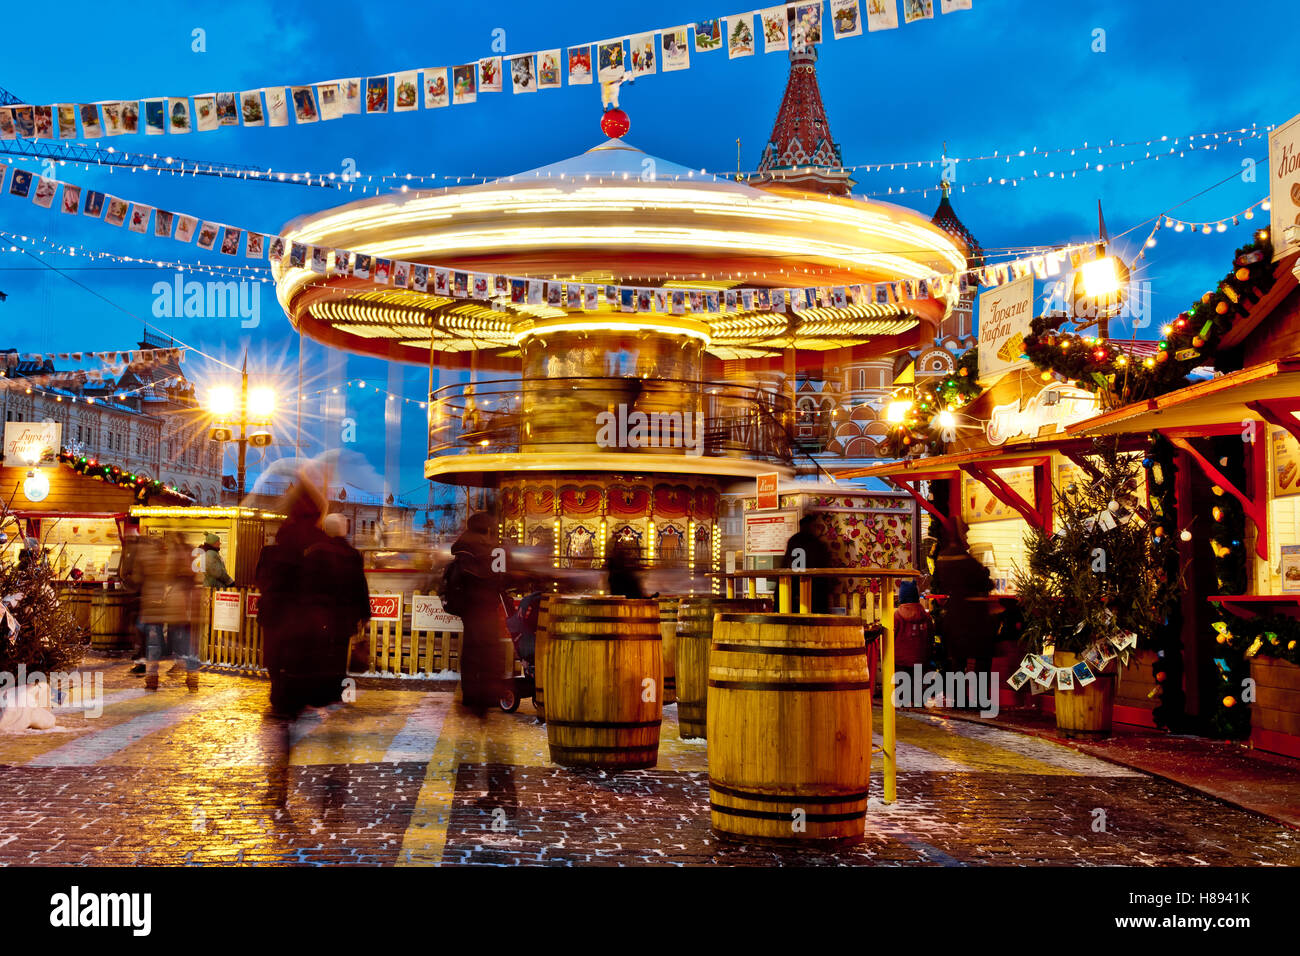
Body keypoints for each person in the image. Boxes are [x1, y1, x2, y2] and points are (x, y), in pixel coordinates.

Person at [442, 512, 509, 710]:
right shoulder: (483, 550)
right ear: (486, 530)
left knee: (472, 650)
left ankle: (471, 694)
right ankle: (485, 695)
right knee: (488, 649)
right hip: (482, 607)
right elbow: (491, 576)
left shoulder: (465, 547)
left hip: (469, 608)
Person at [930, 519, 995, 677]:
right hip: (972, 617)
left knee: (957, 663)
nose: (966, 539)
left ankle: (959, 700)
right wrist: (985, 573)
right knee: (982, 658)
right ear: (958, 536)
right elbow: (985, 582)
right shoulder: (962, 558)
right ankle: (979, 700)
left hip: (953, 615)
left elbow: (940, 583)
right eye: (965, 535)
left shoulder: (942, 557)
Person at [138, 532, 198, 691]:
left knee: (154, 644)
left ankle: (152, 678)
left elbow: (140, 578)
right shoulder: (185, 554)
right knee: (186, 642)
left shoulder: (156, 558)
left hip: (158, 604)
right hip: (173, 605)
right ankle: (192, 676)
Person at [780, 514, 832, 613]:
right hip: (814, 588)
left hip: (794, 585)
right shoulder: (817, 543)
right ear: (811, 526)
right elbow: (821, 566)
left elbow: (787, 563)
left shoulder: (793, 540)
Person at [892, 580, 933, 674]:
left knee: (902, 688)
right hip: (922, 660)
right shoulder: (926, 616)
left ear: (901, 597)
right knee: (918, 687)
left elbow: (891, 638)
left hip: (900, 662)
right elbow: (931, 637)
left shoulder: (897, 616)